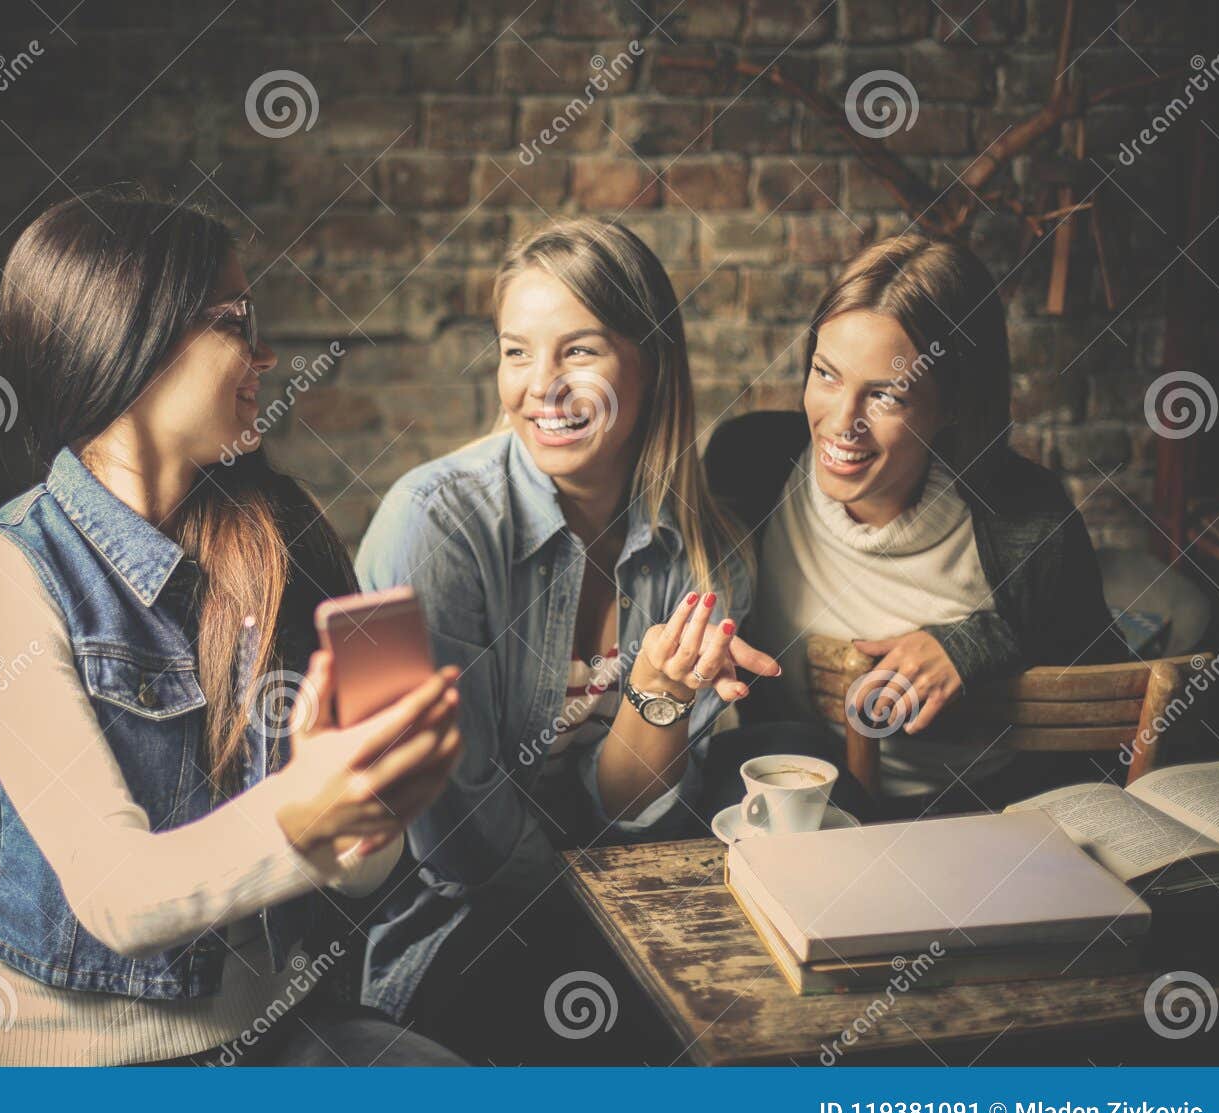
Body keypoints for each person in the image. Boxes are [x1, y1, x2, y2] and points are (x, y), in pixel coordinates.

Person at [0, 191, 465, 1066]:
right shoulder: (0, 571)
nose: (265, 353)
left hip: (282, 1038)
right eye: (235, 320)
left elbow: (363, 870)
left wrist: (371, 803)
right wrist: (303, 809)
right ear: (132, 339)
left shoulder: (273, 537)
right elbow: (116, 896)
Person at [352, 218, 798, 1062]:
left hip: (619, 905)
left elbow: (627, 815)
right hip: (454, 932)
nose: (540, 388)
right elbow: (457, 837)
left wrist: (657, 698)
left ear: (653, 361)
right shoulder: (435, 525)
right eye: (517, 352)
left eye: (579, 351)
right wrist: (619, 919)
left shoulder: (713, 554)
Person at [706, 232, 1125, 806]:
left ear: (953, 404)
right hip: (804, 809)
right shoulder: (748, 464)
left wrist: (980, 643)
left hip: (989, 814)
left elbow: (1113, 700)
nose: (842, 422)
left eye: (886, 397)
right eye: (826, 374)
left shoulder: (1028, 518)